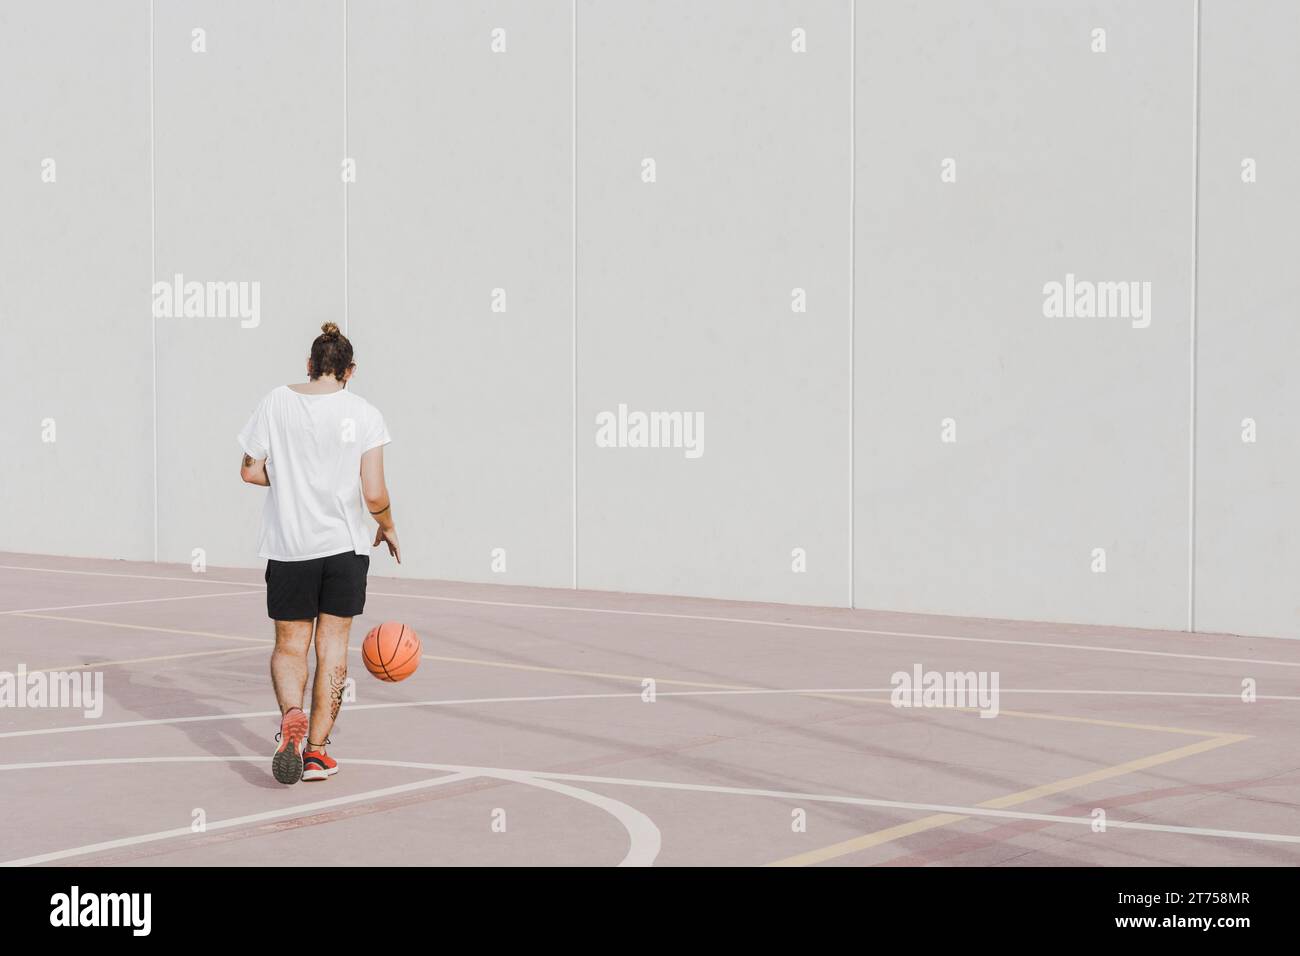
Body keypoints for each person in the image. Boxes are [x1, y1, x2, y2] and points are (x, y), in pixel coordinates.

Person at [237, 322, 400, 784]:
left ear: (309, 365)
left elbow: (250, 472)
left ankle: (291, 714)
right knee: (333, 649)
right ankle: (317, 752)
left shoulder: (276, 401)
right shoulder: (365, 414)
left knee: (290, 647)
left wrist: (289, 482)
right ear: (350, 370)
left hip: (290, 547)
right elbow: (373, 492)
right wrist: (387, 527)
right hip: (343, 549)